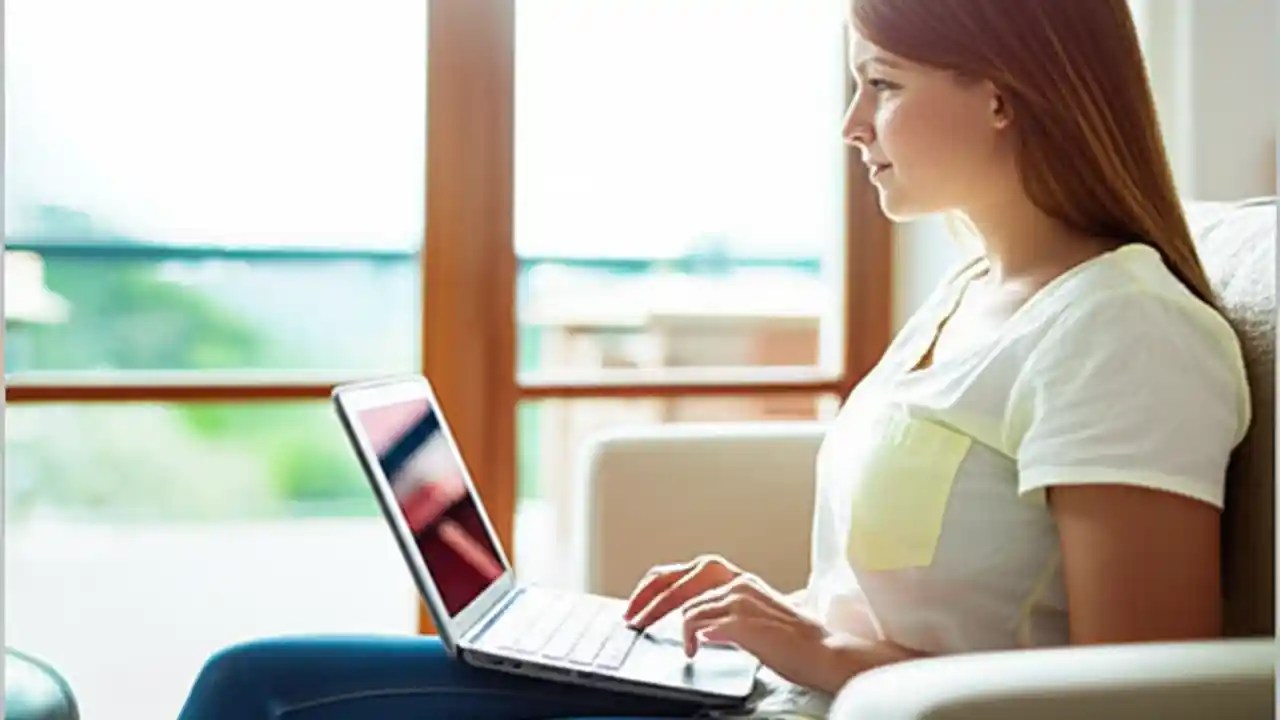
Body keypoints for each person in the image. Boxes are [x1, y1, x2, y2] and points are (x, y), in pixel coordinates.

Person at [177, 0, 1252, 717]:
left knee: (261, 690)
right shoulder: (974, 293)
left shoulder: (1122, 332)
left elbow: (1139, 693)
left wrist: (825, 657)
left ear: (1001, 93)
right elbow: (897, 595)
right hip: (767, 700)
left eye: (880, 83)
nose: (849, 124)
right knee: (260, 680)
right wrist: (775, 616)